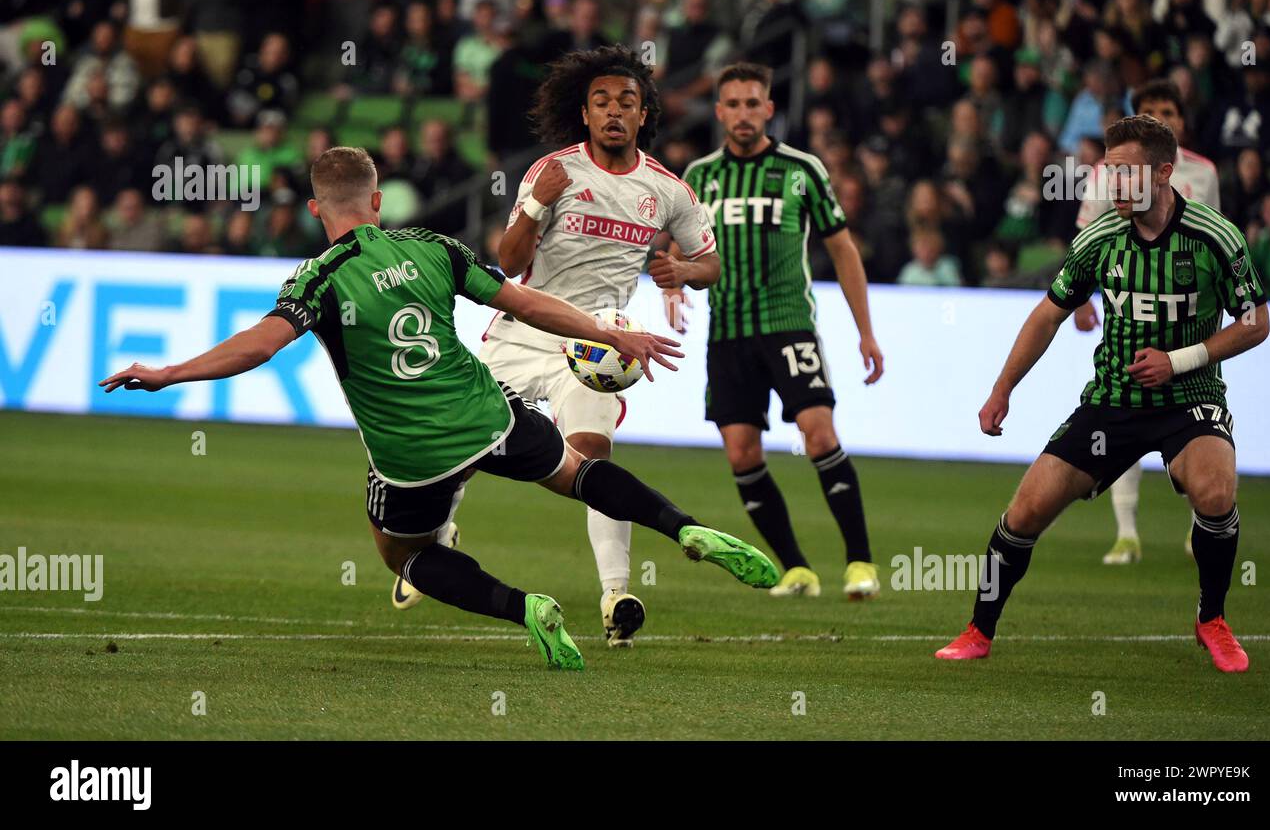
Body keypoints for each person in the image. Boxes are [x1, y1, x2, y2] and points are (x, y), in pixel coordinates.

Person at [98, 146, 776, 672]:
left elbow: (259, 345)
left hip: (413, 455)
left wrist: (170, 372)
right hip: (488, 414)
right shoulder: (433, 246)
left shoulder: (318, 276)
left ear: (316, 210)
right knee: (576, 470)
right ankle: (683, 526)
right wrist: (609, 333)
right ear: (377, 199)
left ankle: (527, 607)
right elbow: (524, 299)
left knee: (403, 555)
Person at [936, 115, 1269, 673]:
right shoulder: (1098, 240)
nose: (1114, 186)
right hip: (1112, 403)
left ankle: (1212, 618)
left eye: (1126, 173)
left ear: (1164, 173)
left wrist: (1180, 361)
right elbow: (1048, 316)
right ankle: (977, 629)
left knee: (1215, 490)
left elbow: (1255, 322)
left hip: (1191, 398)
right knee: (1025, 512)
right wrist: (1002, 389)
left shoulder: (1216, 237)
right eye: (1109, 174)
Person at [414, 45, 720, 649]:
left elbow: (712, 262)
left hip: (598, 343)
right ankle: (437, 538)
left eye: (626, 102)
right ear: (584, 113)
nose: (613, 111)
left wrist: (684, 272)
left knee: (591, 458)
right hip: (524, 329)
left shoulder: (667, 190)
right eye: (601, 101)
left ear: (642, 114)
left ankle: (616, 595)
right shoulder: (551, 171)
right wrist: (534, 204)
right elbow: (507, 262)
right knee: (461, 435)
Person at [681, 62, 885, 601]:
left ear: (769, 109)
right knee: (742, 454)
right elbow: (678, 241)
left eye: (754, 103)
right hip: (726, 333)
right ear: (720, 111)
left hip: (789, 325)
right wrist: (673, 282)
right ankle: (796, 567)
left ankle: (860, 562)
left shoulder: (802, 170)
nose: (744, 113)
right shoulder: (699, 176)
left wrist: (866, 331)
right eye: (733, 104)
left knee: (819, 435)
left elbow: (842, 248)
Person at [1074, 79, 1222, 565]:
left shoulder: (1203, 172)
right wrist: (1080, 300)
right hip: (1130, 318)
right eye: (1151, 110)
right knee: (1126, 421)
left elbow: (1215, 248)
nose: (1163, 117)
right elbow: (1087, 233)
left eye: (1169, 110)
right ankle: (1126, 533)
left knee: (1190, 438)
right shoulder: (1108, 172)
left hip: (1188, 329)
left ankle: (1199, 523)